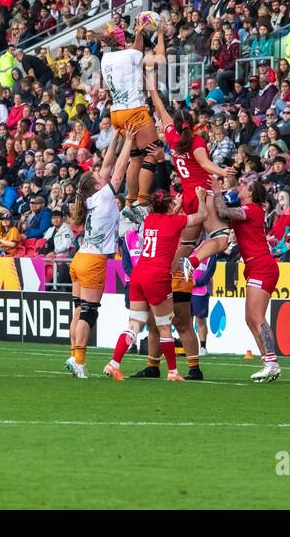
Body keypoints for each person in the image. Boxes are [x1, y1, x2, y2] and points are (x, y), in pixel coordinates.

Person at [146, 90, 230, 380]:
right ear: (193, 125)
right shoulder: (194, 140)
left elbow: (161, 112)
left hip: (187, 196)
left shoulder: (171, 137)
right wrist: (223, 172)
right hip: (202, 194)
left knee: (181, 246)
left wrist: (153, 90)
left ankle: (182, 264)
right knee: (222, 238)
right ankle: (190, 263)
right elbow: (205, 164)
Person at [103, 187, 207, 382]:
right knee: (164, 326)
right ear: (168, 205)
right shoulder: (175, 221)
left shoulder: (150, 220)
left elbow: (167, 220)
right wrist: (200, 197)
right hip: (157, 276)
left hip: (139, 273)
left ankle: (114, 363)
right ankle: (173, 372)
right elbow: (203, 215)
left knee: (134, 324)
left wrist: (174, 207)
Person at [66, 136, 133, 379]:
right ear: (97, 185)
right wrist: (129, 141)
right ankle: (79, 361)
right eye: (98, 177)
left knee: (77, 311)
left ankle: (74, 355)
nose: (100, 174)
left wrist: (117, 135)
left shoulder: (91, 198)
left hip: (80, 258)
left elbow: (106, 167)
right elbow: (118, 170)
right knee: (88, 312)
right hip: (94, 261)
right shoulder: (104, 195)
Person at [211, 176, 284, 382]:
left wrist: (217, 192)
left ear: (251, 193)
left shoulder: (252, 210)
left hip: (262, 266)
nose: (240, 187)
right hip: (255, 266)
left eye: (244, 186)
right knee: (250, 317)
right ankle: (268, 362)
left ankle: (272, 362)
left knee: (257, 316)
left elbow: (224, 211)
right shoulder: (249, 211)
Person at [99, 18, 162, 213]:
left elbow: (133, 49)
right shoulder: (127, 56)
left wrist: (135, 36)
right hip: (133, 110)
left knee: (135, 158)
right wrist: (139, 32)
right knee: (153, 154)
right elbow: (137, 48)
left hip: (116, 113)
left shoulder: (105, 59)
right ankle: (142, 203)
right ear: (120, 42)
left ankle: (130, 202)